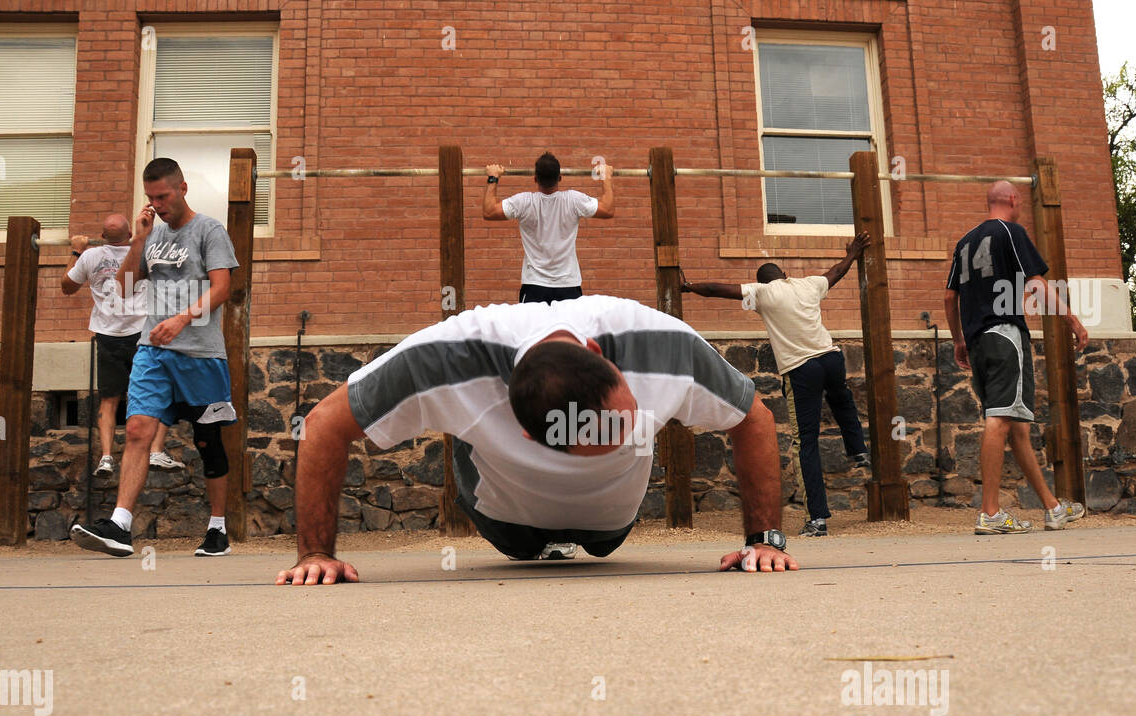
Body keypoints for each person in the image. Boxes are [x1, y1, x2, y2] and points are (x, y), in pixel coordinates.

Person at [275, 295, 800, 585]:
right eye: (597, 438)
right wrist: (315, 554)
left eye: (623, 425)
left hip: (612, 528)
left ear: (600, 352)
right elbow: (324, 424)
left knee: (647, 436)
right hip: (508, 526)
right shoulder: (445, 354)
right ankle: (494, 447)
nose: (615, 439)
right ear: (529, 433)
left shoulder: (664, 343)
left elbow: (752, 418)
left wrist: (764, 542)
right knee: (462, 422)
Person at [71, 157, 239, 558]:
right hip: (152, 351)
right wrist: (139, 240)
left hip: (201, 353)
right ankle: (120, 526)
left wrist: (182, 320)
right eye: (150, 198)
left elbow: (221, 290)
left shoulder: (210, 230)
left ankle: (217, 529)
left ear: (182, 188)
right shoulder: (153, 235)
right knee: (138, 430)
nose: (157, 204)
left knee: (207, 440)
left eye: (162, 196)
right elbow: (126, 288)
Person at [681, 233, 873, 538]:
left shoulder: (763, 292)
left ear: (764, 281)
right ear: (784, 274)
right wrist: (853, 253)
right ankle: (859, 450)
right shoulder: (808, 283)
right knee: (842, 399)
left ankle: (817, 519)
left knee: (805, 442)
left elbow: (719, 289)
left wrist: (689, 287)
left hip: (802, 369)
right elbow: (837, 271)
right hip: (831, 358)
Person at [944, 180, 1090, 534]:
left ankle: (1053, 508)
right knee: (999, 420)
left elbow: (950, 298)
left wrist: (959, 340)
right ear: (1012, 199)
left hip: (978, 341)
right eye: (1019, 201)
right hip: (1005, 335)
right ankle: (990, 513)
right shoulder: (1011, 232)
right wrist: (1072, 319)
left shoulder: (964, 243)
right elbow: (1037, 284)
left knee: (1017, 426)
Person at [62, 215, 185, 476]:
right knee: (160, 389)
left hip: (109, 333)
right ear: (130, 232)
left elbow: (67, 287)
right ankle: (155, 450)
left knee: (109, 398)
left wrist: (76, 250)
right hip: (142, 331)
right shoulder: (145, 252)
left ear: (103, 236)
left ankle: (107, 457)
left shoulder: (90, 256)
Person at [482, 152, 614, 303]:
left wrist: (493, 177)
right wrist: (606, 177)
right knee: (568, 328)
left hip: (535, 287)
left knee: (534, 328)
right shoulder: (573, 200)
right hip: (568, 286)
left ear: (535, 179)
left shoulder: (524, 202)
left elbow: (489, 211)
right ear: (559, 178)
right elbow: (608, 209)